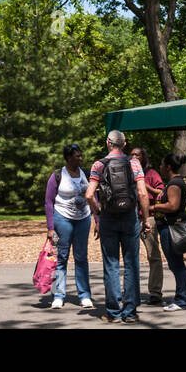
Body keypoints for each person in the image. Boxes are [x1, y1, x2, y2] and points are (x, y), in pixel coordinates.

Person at [85, 129, 151, 323]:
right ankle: (130, 313)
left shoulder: (98, 165)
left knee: (111, 265)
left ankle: (113, 313)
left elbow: (89, 195)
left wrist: (97, 214)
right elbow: (142, 193)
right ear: (124, 144)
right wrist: (146, 219)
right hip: (130, 218)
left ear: (108, 143)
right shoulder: (134, 163)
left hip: (108, 218)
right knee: (132, 265)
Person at [44, 143, 93, 309]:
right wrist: (51, 228)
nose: (80, 158)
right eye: (77, 156)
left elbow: (93, 197)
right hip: (62, 219)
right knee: (61, 257)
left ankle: (85, 295)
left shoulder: (86, 174)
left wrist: (98, 220)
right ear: (68, 158)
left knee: (81, 257)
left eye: (80, 155)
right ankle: (58, 295)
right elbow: (49, 202)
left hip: (83, 219)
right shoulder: (58, 175)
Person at [149, 153, 186, 311]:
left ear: (168, 167)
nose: (160, 167)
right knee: (176, 264)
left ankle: (181, 300)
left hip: (171, 229)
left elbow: (172, 206)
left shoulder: (174, 184)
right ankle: (181, 298)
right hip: (168, 228)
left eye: (161, 164)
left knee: (177, 265)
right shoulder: (174, 182)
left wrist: (153, 207)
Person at [131, 145, 164, 307]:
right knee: (131, 256)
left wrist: (145, 185)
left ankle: (155, 292)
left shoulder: (151, 174)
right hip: (131, 219)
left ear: (144, 157)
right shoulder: (127, 174)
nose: (134, 157)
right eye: (132, 155)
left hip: (149, 218)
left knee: (153, 256)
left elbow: (161, 192)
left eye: (137, 155)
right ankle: (132, 291)